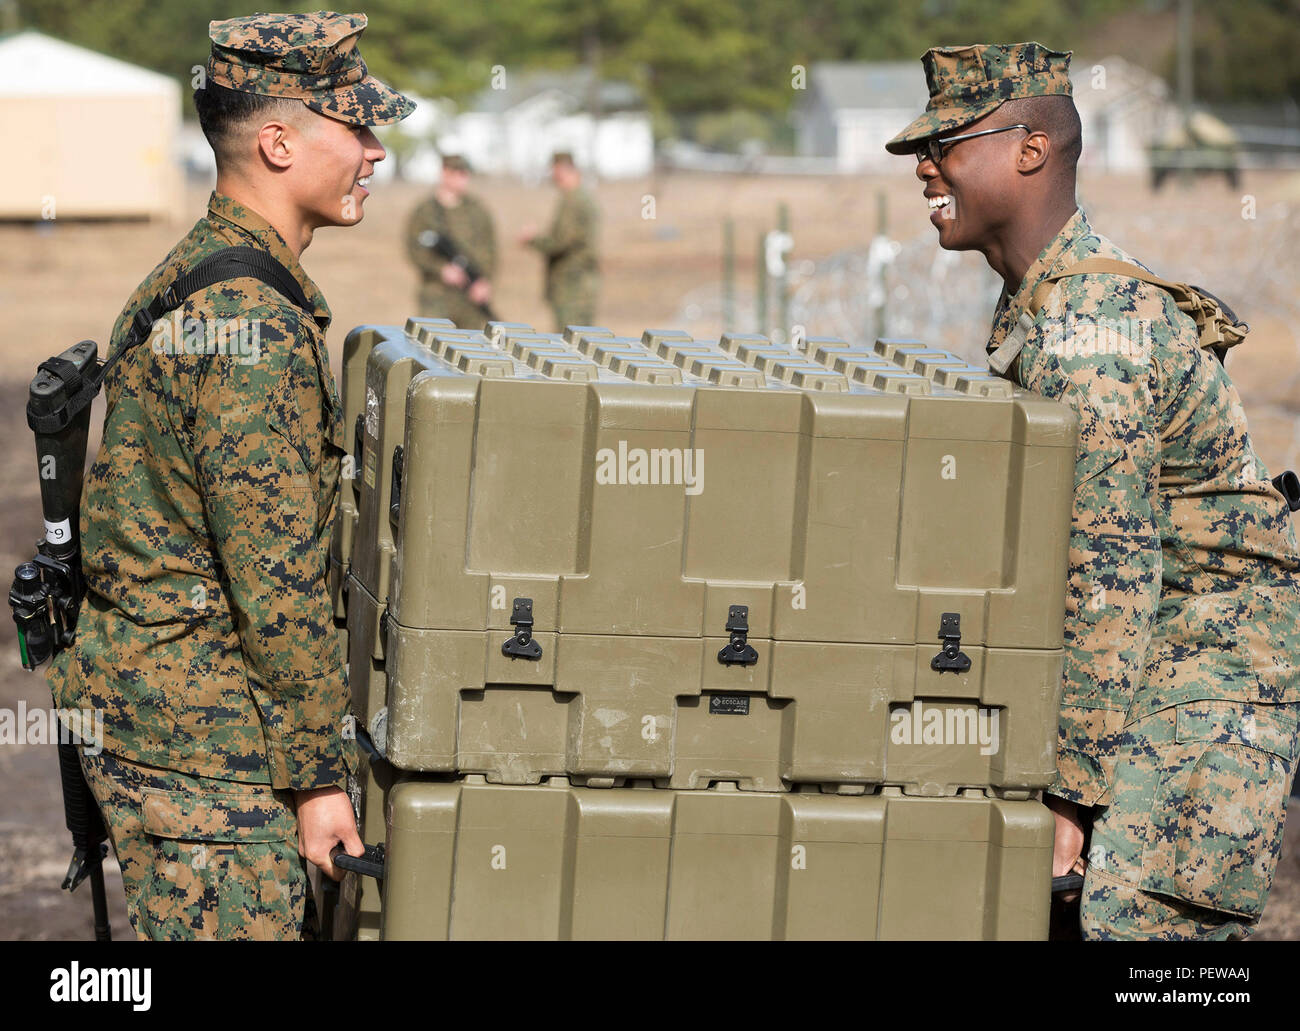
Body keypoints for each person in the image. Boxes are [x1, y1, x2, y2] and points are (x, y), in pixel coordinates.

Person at [886, 42, 1300, 939]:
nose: (925, 168)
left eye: (948, 143)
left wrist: (1069, 801)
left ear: (1030, 148)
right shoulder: (1045, 300)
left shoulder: (1089, 333)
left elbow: (1110, 578)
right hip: (1156, 680)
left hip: (1201, 694)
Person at [45, 11, 414, 940]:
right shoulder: (252, 327)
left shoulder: (202, 272)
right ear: (279, 142)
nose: (375, 150)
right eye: (356, 126)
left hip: (160, 715)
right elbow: (276, 585)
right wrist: (319, 785)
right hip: (201, 752)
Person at [404, 154, 497, 330]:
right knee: (430, 349)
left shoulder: (477, 210)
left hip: (470, 298)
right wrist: (442, 270)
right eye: (457, 173)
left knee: (470, 350)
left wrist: (484, 281)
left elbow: (490, 249)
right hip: (436, 295)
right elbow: (414, 249)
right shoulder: (425, 211)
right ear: (444, 173)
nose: (463, 179)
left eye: (465, 173)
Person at [519, 151, 600, 331]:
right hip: (576, 284)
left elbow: (560, 241)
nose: (552, 176)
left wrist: (532, 240)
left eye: (554, 170)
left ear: (562, 170)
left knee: (570, 345)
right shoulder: (578, 197)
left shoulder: (574, 200)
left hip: (573, 286)